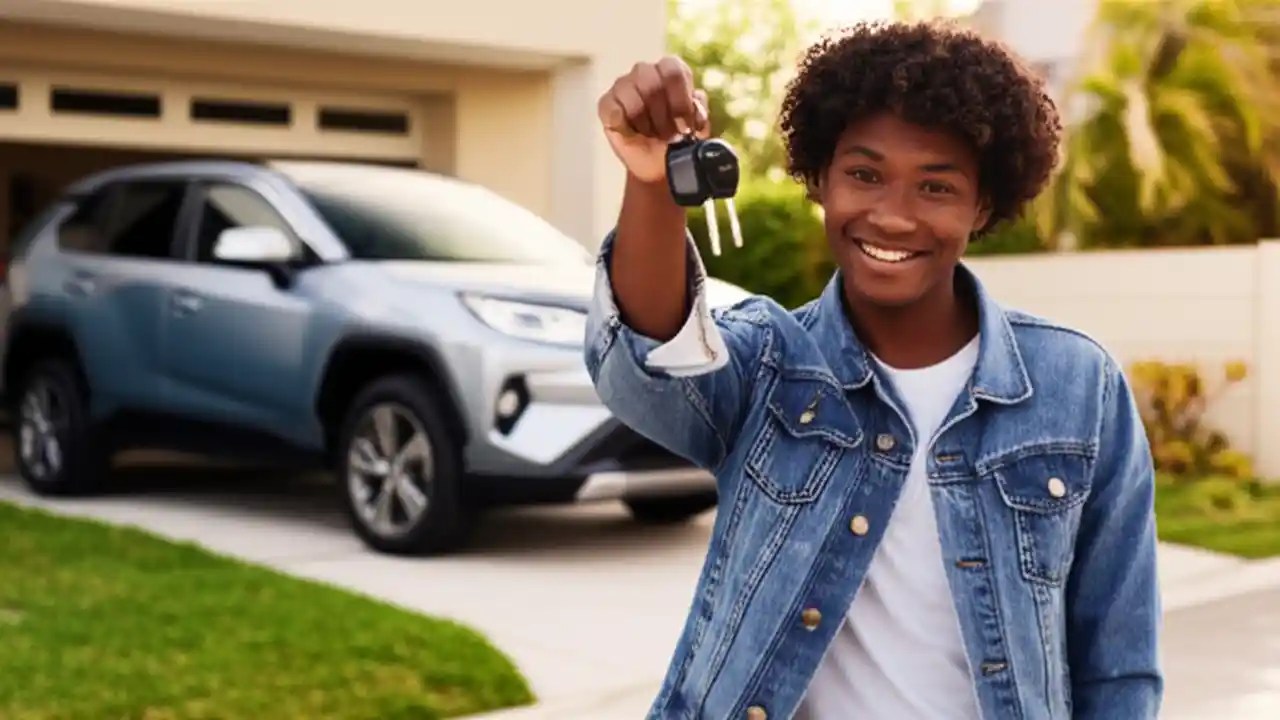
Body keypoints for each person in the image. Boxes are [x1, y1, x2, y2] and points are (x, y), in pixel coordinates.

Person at [585, 18, 1162, 720]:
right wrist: (652, 183)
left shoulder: (1078, 386)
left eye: (936, 187)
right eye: (864, 175)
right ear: (820, 179)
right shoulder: (770, 364)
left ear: (982, 205)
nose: (892, 216)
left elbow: (1118, 663)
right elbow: (646, 365)